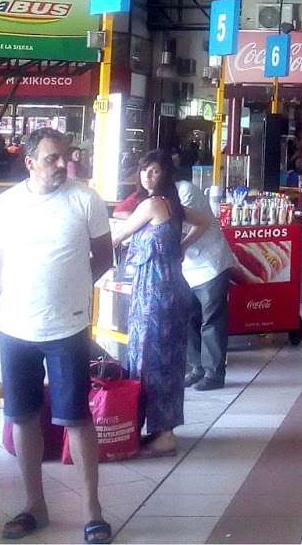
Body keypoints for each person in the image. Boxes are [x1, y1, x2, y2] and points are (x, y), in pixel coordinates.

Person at [0, 127, 114, 544]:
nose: (62, 165)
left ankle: (92, 511)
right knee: (22, 417)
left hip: (68, 327)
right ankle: (33, 505)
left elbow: (104, 257)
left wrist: (70, 292)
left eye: (66, 157)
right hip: (14, 327)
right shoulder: (4, 205)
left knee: (75, 416)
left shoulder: (85, 199)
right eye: (52, 158)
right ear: (29, 162)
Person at [108, 151, 203, 458]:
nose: (148, 176)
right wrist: (179, 248)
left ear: (165, 174)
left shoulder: (151, 204)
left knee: (150, 359)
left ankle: (160, 433)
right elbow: (204, 222)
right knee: (168, 362)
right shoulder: (172, 205)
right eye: (145, 170)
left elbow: (119, 235)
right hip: (171, 288)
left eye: (155, 171)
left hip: (154, 293)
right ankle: (164, 430)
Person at [177, 167, 234, 392]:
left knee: (212, 320)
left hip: (211, 264)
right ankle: (196, 368)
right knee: (190, 318)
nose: (150, 178)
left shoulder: (185, 191)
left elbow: (175, 228)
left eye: (155, 172)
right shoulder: (156, 200)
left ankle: (214, 374)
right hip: (188, 267)